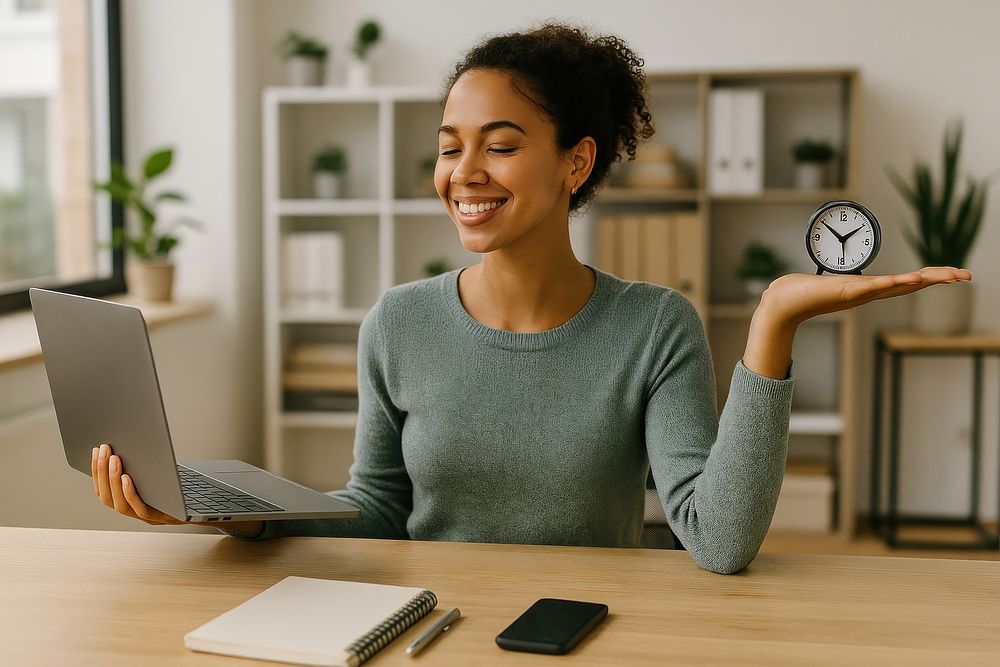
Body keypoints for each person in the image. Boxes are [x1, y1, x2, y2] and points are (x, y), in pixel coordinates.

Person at [91, 23, 970, 574]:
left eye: (500, 145)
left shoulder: (655, 326)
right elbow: (381, 510)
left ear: (576, 162)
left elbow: (719, 537)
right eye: (448, 147)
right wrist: (249, 516)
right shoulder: (396, 321)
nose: (463, 174)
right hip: (424, 630)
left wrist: (774, 320)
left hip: (582, 637)